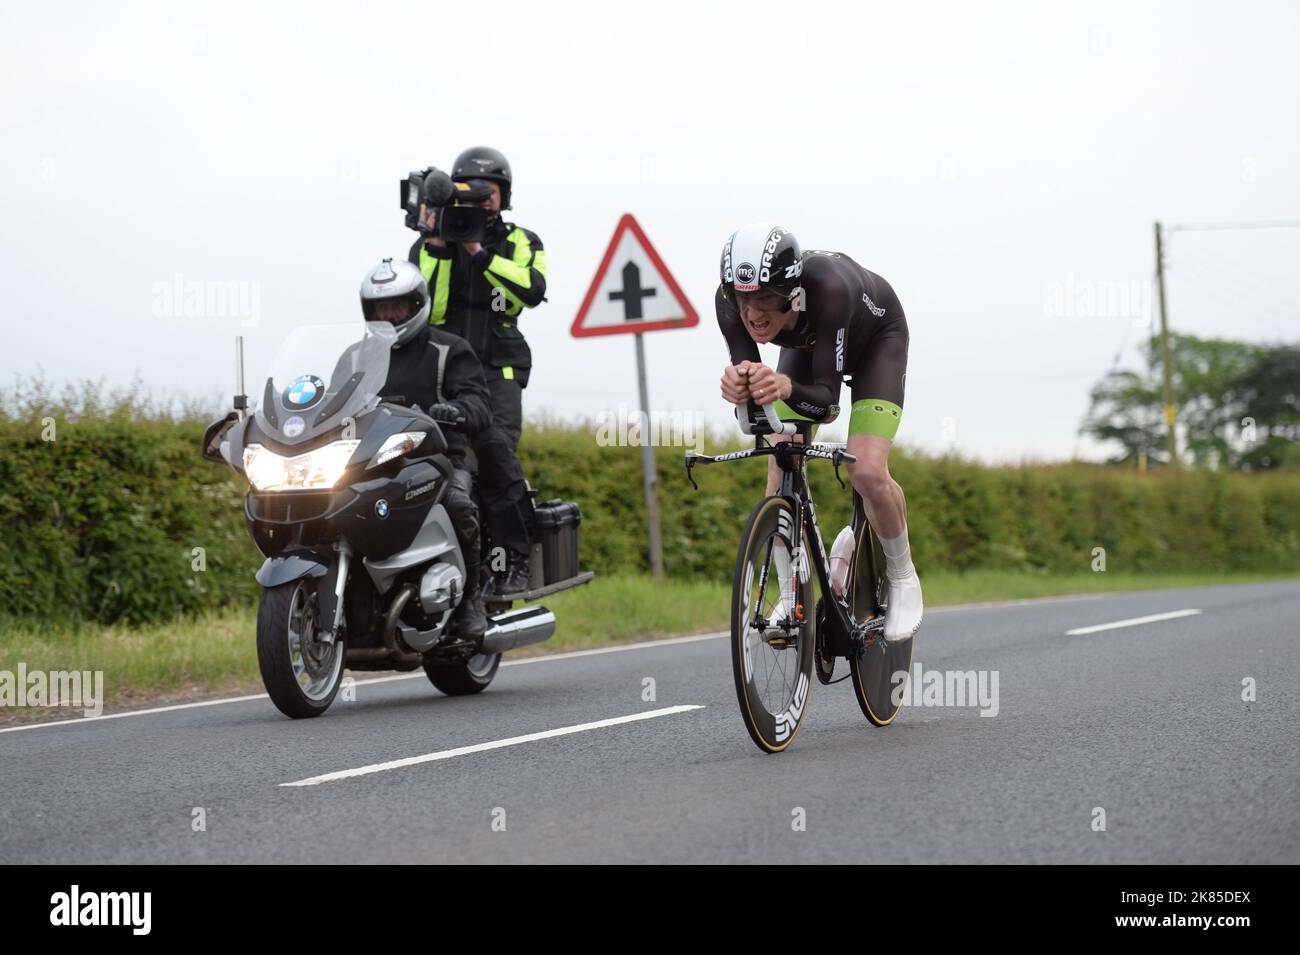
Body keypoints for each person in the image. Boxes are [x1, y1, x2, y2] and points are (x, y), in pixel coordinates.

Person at [716, 224, 923, 642]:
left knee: (864, 470)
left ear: (792, 292)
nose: (754, 314)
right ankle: (791, 591)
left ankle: (903, 576)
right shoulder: (728, 302)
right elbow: (755, 396)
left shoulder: (828, 290)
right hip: (812, 343)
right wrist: (740, 389)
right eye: (744, 300)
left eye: (767, 299)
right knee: (780, 459)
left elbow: (827, 404)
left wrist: (785, 386)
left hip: (876, 342)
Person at [408, 146, 545, 597]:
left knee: (495, 449)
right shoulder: (433, 243)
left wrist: (478, 251)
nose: (481, 200)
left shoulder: (523, 241)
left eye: (491, 191)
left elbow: (530, 289)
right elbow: (430, 307)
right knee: (431, 455)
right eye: (471, 191)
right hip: (447, 368)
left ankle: (515, 558)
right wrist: (439, 246)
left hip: (499, 369)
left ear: (504, 195)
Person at [360, 258, 493, 642]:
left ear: (417, 304)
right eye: (381, 308)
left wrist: (456, 410)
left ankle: (471, 600)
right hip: (372, 461)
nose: (389, 315)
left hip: (440, 456)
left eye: (397, 307)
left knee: (459, 506)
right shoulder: (358, 355)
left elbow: (479, 403)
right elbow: (334, 397)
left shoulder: (449, 350)